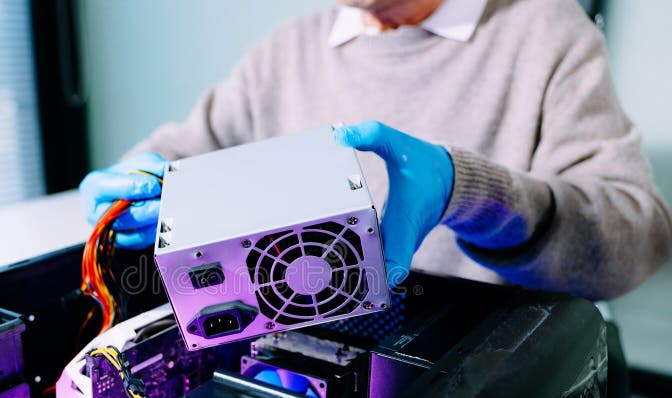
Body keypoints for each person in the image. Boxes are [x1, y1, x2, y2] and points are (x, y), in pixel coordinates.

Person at [80, 0, 672, 300]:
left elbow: (638, 239)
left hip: (482, 382)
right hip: (313, 359)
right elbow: (182, 147)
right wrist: (138, 180)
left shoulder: (544, 29)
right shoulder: (291, 50)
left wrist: (475, 196)